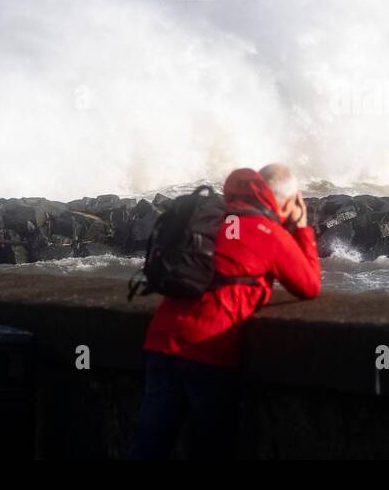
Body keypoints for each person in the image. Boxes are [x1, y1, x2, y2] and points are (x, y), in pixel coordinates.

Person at [130, 163, 321, 459]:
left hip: (162, 341)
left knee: (149, 445)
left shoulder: (210, 216)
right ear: (289, 201)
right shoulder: (268, 232)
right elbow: (309, 286)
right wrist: (302, 228)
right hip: (208, 350)